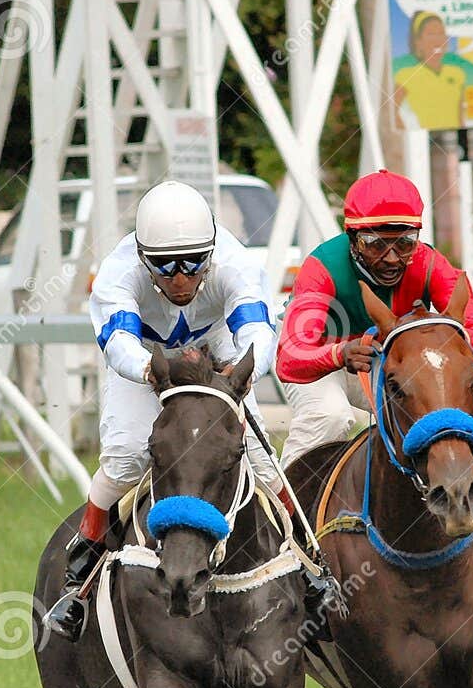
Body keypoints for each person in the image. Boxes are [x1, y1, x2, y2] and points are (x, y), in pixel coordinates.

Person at [43, 180, 290, 642]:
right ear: (142, 258)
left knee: (258, 456)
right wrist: (151, 370)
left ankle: (308, 561)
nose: (180, 279)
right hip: (147, 355)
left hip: (217, 344)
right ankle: (80, 573)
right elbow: (119, 342)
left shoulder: (236, 264)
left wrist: (242, 370)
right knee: (125, 456)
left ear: (210, 253)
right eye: (164, 266)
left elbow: (257, 330)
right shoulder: (118, 274)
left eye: (193, 263)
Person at [277, 168, 473, 469]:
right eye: (376, 244)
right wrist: (339, 353)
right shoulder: (322, 267)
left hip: (381, 359)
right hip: (321, 360)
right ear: (353, 239)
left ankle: (470, 487)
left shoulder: (430, 263)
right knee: (330, 416)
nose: (393, 258)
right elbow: (289, 360)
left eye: (405, 242)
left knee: (438, 408)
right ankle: (286, 497)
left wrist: (447, 339)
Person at [393, 13, 466, 131]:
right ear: (418, 41)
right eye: (431, 34)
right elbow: (391, 111)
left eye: (441, 34)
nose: (437, 40)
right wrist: (410, 134)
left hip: (454, 137)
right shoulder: (406, 75)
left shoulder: (457, 73)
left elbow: (461, 116)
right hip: (425, 138)